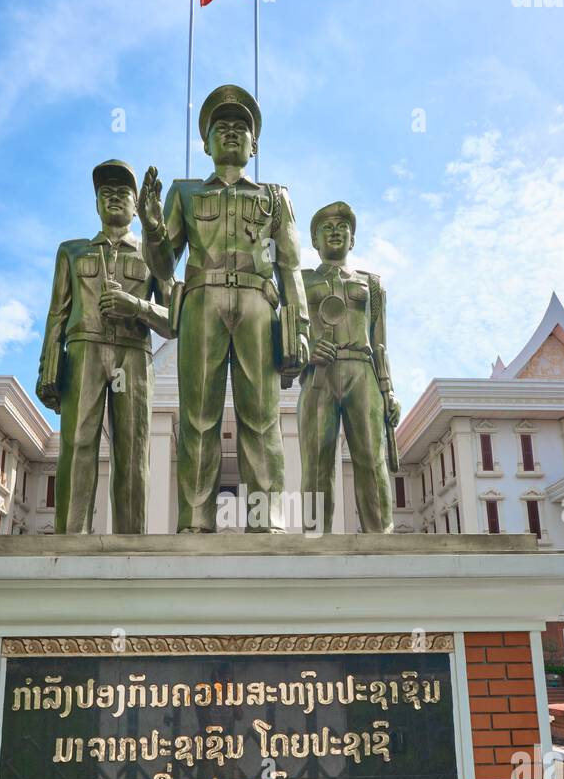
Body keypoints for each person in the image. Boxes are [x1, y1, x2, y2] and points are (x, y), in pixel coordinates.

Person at [138, 85, 309, 532]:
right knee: (198, 415)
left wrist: (299, 326)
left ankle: (266, 519)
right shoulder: (185, 193)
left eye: (241, 128)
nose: (232, 134)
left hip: (257, 302)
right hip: (202, 300)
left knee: (261, 415)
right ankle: (195, 519)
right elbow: (162, 264)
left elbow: (289, 265)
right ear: (207, 142)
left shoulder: (275, 196)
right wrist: (153, 227)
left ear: (255, 145)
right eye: (222, 127)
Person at [36, 160, 174, 533]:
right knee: (78, 445)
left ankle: (131, 542)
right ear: (96, 204)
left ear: (136, 205)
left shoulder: (155, 253)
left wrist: (137, 306)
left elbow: (175, 320)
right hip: (84, 351)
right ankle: (70, 540)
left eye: (123, 193)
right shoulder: (72, 251)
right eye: (106, 193)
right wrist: (49, 367)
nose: (114, 198)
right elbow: (57, 313)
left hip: (133, 354)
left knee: (132, 453)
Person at [299, 201, 401, 533]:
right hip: (318, 374)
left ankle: (380, 535)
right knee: (316, 463)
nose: (335, 232)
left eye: (343, 227)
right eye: (326, 228)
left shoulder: (371, 284)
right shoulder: (299, 281)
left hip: (362, 371)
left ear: (352, 240)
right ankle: (316, 537)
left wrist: (389, 390)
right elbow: (288, 333)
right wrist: (307, 348)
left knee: (372, 460)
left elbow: (381, 342)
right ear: (314, 241)